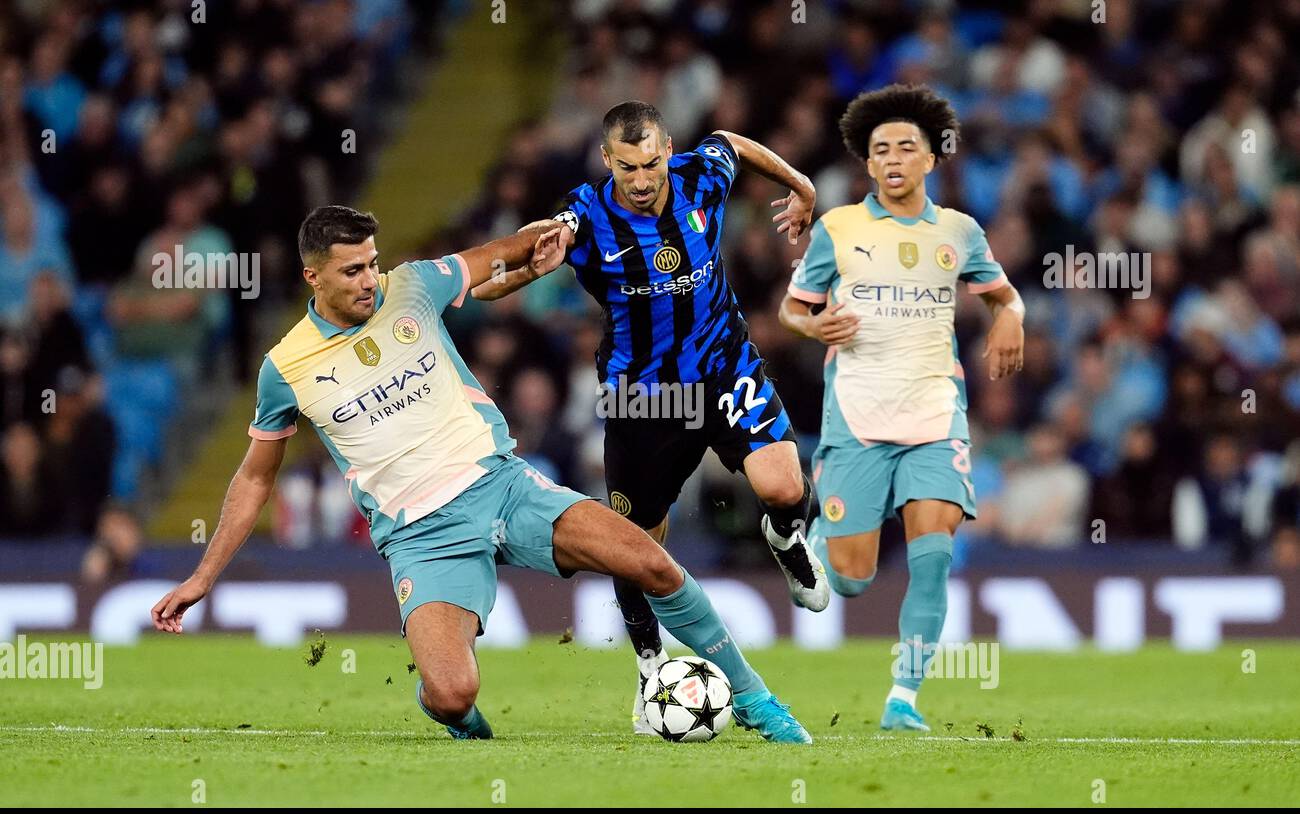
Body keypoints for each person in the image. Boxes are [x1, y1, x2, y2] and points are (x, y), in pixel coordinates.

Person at [152, 204, 812, 744]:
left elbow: (494, 257)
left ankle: (757, 699)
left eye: (372, 263)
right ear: (312, 277)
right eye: (352, 270)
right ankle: (464, 724)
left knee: (652, 562)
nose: (368, 279)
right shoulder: (285, 367)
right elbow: (255, 478)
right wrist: (202, 577)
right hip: (422, 536)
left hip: (502, 483)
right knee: (449, 691)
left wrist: (540, 244)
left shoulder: (409, 286)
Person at [472, 101, 829, 734]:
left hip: (724, 365)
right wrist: (531, 266)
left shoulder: (701, 175)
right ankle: (649, 667)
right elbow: (488, 287)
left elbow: (733, 142)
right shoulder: (582, 216)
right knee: (637, 547)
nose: (641, 178)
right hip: (645, 400)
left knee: (786, 486)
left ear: (668, 150)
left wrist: (801, 186)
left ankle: (784, 536)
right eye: (628, 166)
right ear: (607, 161)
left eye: (652, 162)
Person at [779, 84, 1025, 732]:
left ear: (931, 158)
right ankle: (807, 540)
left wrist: (1012, 317)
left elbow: (1005, 297)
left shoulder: (959, 232)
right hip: (857, 416)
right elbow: (790, 309)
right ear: (867, 162)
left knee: (934, 553)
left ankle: (904, 699)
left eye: (905, 148)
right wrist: (815, 327)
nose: (892, 158)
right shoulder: (839, 228)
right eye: (880, 149)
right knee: (853, 580)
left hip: (934, 415)